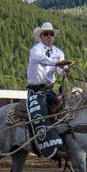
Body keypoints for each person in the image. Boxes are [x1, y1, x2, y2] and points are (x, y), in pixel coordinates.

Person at [27, 21, 71, 159]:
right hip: (36, 91)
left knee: (67, 110)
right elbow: (41, 59)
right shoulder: (35, 50)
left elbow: (58, 70)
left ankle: (67, 141)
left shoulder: (59, 52)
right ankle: (48, 146)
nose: (49, 36)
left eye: (51, 34)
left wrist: (64, 70)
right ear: (41, 36)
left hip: (50, 90)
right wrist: (56, 63)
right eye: (46, 34)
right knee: (41, 115)